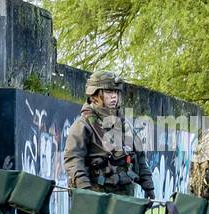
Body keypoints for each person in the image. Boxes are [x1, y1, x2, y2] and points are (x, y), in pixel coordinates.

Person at [63, 71, 155, 199]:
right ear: (95, 94)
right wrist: (85, 190)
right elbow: (73, 159)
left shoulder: (124, 124)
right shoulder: (83, 125)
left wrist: (148, 186)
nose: (114, 97)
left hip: (124, 196)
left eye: (116, 92)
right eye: (109, 92)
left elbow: (139, 157)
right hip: (96, 195)